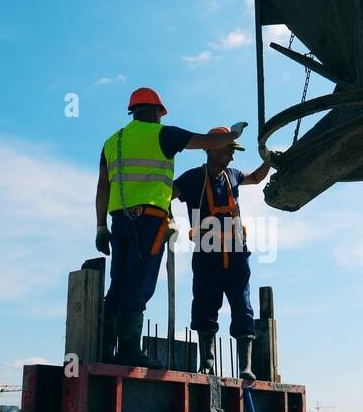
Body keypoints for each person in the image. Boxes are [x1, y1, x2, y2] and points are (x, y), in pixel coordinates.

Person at [96, 88, 248, 368]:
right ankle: (129, 350)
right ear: (156, 112)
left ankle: (106, 350)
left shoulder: (111, 142)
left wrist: (100, 226)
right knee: (139, 286)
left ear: (133, 111)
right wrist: (233, 135)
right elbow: (207, 141)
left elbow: (103, 186)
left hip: (119, 221)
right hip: (149, 219)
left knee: (117, 283)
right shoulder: (163, 134)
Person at [172, 127, 272, 379]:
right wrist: (169, 221)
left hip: (237, 254)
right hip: (207, 255)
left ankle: (245, 367)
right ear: (214, 147)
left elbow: (257, 178)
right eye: (229, 149)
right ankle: (207, 362)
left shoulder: (233, 176)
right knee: (205, 304)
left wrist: (270, 159)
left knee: (243, 306)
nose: (232, 156)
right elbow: (164, 195)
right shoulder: (192, 178)